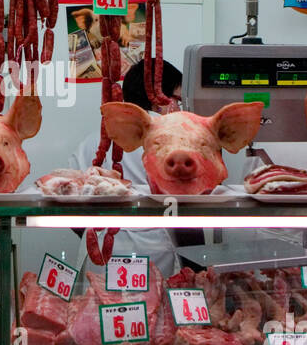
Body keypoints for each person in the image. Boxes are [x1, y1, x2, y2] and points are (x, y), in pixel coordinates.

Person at [70, 60, 264, 275]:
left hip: (99, 256)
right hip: (155, 255)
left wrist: (100, 235)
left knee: (102, 307)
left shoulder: (89, 142)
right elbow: (186, 209)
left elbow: (67, 209)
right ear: (159, 99)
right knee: (154, 308)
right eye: (178, 100)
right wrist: (196, 269)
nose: (180, 109)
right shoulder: (183, 141)